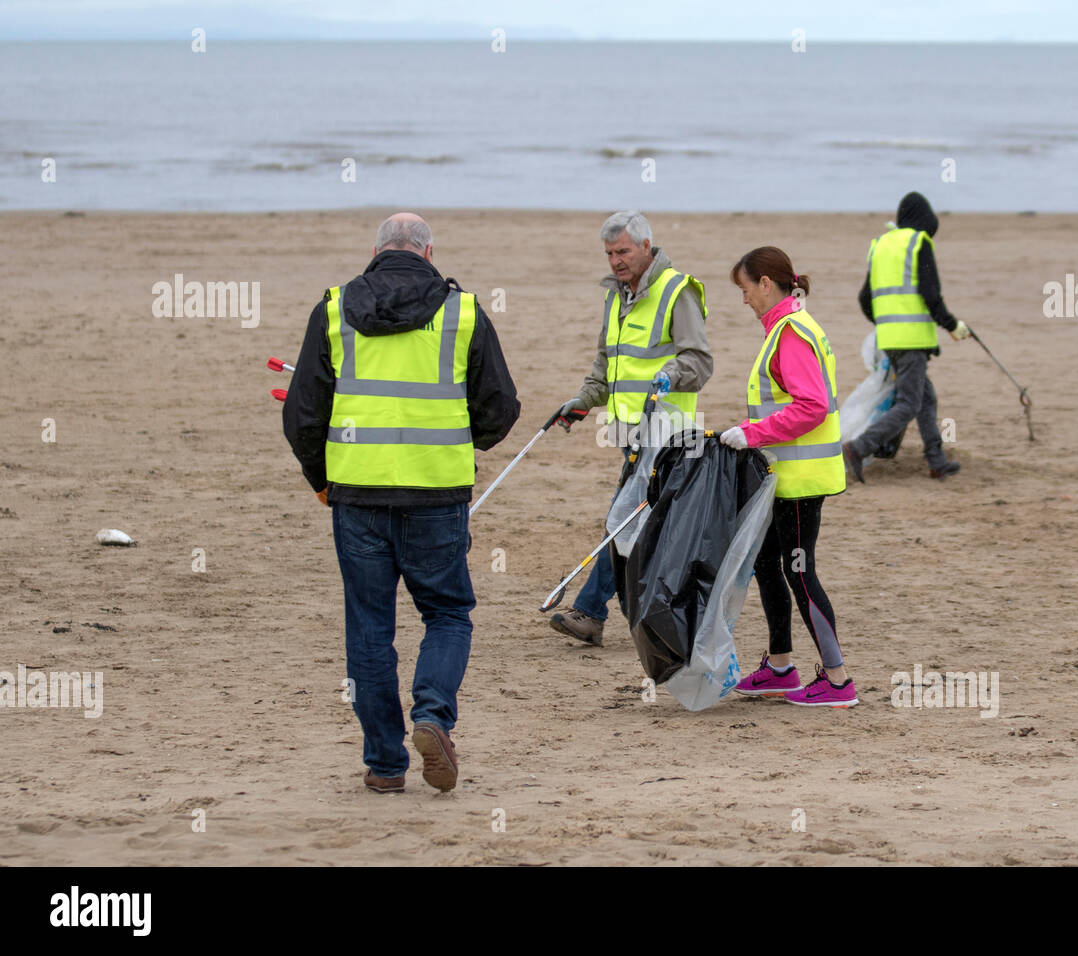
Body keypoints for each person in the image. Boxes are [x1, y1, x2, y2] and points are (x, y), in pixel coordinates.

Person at [283, 213, 520, 794]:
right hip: (435, 492)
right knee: (446, 614)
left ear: (375, 251)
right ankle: (433, 715)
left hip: (357, 495)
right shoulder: (463, 312)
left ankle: (385, 765)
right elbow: (501, 408)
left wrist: (322, 478)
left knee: (369, 630)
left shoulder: (334, 309)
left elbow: (302, 416)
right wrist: (463, 437)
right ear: (429, 253)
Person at [546, 210, 712, 646]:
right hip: (629, 433)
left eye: (622, 251)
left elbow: (699, 362)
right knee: (640, 523)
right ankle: (640, 612)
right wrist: (583, 400)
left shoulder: (677, 291)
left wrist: (671, 375)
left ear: (645, 246)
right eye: (609, 253)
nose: (615, 261)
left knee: (627, 520)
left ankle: (592, 611)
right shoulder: (616, 296)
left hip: (667, 433)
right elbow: (608, 362)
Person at [719, 246, 858, 708]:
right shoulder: (786, 327)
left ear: (764, 283)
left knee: (799, 573)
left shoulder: (791, 332)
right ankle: (780, 667)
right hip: (783, 478)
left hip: (801, 481)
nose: (743, 300)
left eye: (744, 289)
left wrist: (753, 434)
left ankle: (838, 681)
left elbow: (812, 406)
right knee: (766, 563)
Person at [842, 191, 969, 483]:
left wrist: (885, 324)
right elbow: (930, 293)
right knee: (910, 403)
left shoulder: (881, 245)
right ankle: (858, 448)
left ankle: (936, 461)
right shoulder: (918, 243)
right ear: (924, 222)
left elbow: (865, 298)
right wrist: (951, 325)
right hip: (912, 341)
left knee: (925, 396)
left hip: (890, 340)